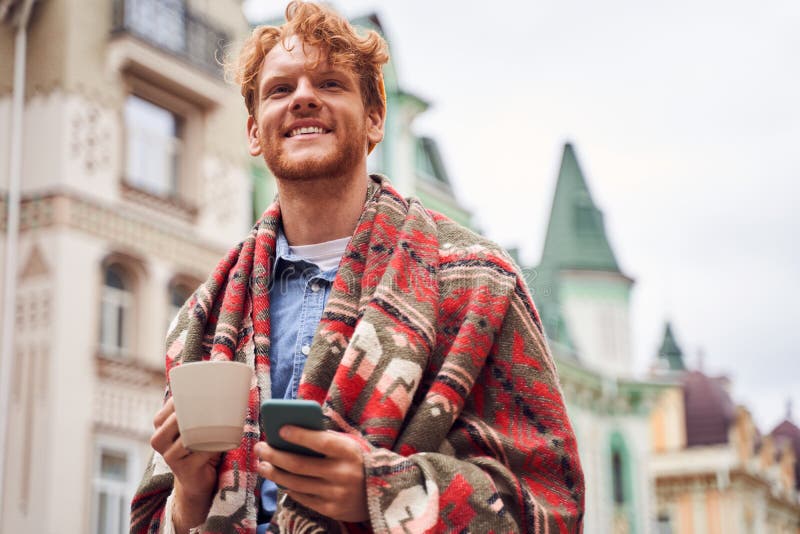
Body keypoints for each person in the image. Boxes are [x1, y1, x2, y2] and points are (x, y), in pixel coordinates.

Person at [131, 2, 584, 533]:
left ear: (375, 120)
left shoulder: (479, 283)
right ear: (254, 132)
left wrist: (384, 492)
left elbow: (553, 505)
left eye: (329, 83)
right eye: (280, 90)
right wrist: (191, 492)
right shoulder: (203, 317)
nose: (302, 97)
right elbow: (160, 522)